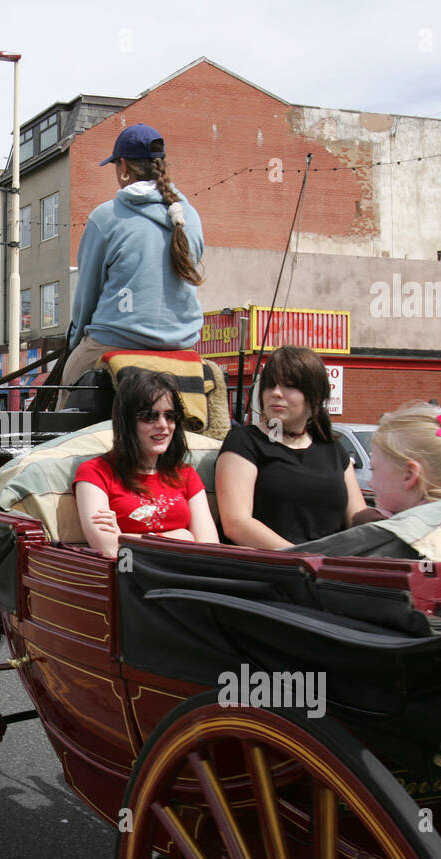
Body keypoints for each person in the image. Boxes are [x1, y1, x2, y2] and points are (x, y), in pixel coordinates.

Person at [58, 123, 205, 408]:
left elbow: (87, 297)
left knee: (67, 386)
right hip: (182, 345)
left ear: (123, 166)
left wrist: (74, 343)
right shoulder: (191, 216)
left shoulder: (106, 217)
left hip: (115, 340)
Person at [215, 346, 365, 547]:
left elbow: (358, 522)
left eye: (290, 385)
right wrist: (302, 558)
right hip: (272, 568)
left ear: (315, 395)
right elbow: (236, 524)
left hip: (332, 568)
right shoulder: (244, 441)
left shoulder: (333, 449)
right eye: (270, 385)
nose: (276, 393)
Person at [73, 369, 217, 559]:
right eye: (149, 416)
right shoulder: (95, 472)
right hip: (132, 578)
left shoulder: (186, 474)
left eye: (170, 416)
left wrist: (125, 538)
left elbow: (210, 549)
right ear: (126, 421)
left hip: (186, 579)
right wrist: (183, 536)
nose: (163, 425)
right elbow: (109, 549)